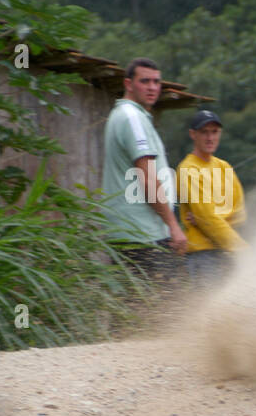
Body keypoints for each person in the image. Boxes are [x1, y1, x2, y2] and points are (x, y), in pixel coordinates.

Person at [101, 58, 186, 281]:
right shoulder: (132, 117)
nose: (152, 87)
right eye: (145, 81)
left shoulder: (125, 115)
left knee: (135, 308)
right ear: (128, 84)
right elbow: (147, 179)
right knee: (166, 308)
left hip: (130, 233)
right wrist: (173, 225)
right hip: (143, 235)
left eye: (156, 82)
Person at [176, 108, 246, 285]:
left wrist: (213, 216)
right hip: (203, 255)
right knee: (207, 308)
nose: (210, 138)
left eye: (214, 132)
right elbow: (206, 217)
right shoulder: (188, 169)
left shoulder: (224, 167)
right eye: (204, 132)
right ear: (193, 134)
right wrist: (242, 248)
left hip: (227, 251)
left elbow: (240, 213)